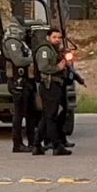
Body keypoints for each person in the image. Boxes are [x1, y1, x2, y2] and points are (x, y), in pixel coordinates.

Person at [34, 28, 72, 156]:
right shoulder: (44, 50)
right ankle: (56, 145)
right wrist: (58, 67)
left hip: (55, 85)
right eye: (55, 37)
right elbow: (43, 67)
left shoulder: (54, 50)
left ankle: (37, 144)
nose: (57, 40)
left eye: (59, 37)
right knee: (51, 117)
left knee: (46, 117)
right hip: (49, 86)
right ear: (48, 37)